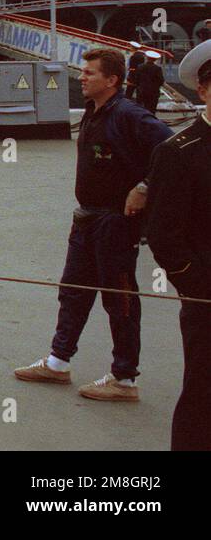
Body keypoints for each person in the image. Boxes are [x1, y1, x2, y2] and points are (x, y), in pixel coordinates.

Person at [14, 47, 171, 401]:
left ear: (111, 80)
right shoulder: (94, 111)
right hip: (86, 218)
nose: (82, 77)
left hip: (115, 224)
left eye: (90, 73)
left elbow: (172, 146)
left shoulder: (129, 114)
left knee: (120, 300)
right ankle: (57, 362)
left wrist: (144, 187)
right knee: (73, 291)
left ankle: (124, 379)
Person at [144, 39, 211, 449]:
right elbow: (164, 236)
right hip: (208, 302)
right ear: (202, 89)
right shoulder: (179, 152)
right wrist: (200, 290)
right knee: (203, 398)